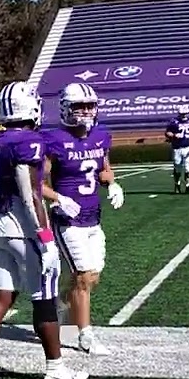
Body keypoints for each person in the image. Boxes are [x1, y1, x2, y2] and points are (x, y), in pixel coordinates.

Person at [0, 80, 86, 379]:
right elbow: (30, 193)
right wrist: (45, 237)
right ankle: (56, 367)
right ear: (28, 106)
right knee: (44, 298)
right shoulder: (28, 141)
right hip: (22, 229)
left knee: (3, 295)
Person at [40, 82, 124, 356]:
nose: (86, 111)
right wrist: (59, 198)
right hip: (68, 220)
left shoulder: (101, 136)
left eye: (90, 105)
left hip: (93, 218)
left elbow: (104, 170)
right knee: (83, 276)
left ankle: (62, 303)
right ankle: (85, 335)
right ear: (66, 108)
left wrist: (113, 184)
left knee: (92, 278)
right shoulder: (53, 140)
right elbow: (37, 183)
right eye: (80, 106)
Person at [165, 107, 189, 194]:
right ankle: (177, 185)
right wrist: (174, 135)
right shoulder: (174, 122)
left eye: (185, 114)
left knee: (188, 168)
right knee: (177, 168)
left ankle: (188, 186)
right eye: (182, 114)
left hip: (188, 147)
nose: (184, 116)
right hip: (177, 148)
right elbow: (167, 132)